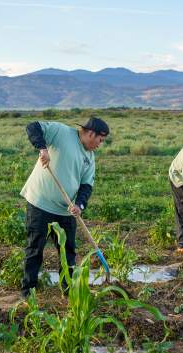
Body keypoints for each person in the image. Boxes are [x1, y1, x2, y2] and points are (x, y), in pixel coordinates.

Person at [19, 117, 109, 298]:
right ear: (91, 133)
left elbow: (86, 186)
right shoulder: (61, 132)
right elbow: (32, 127)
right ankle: (28, 292)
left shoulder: (89, 158)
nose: (100, 144)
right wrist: (42, 149)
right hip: (40, 203)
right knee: (35, 249)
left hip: (66, 210)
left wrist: (79, 205)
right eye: (100, 140)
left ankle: (68, 290)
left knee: (68, 252)